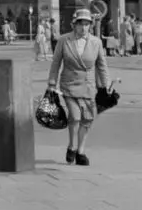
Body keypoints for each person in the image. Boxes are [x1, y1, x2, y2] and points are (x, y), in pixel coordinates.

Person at [47, 10, 110, 167]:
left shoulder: (96, 42)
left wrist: (106, 84)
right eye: (80, 24)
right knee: (75, 117)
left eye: (87, 24)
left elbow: (102, 65)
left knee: (87, 118)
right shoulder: (64, 40)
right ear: (74, 25)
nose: (83, 28)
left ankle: (81, 151)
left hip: (88, 85)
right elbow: (56, 62)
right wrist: (52, 82)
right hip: (69, 83)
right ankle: (71, 146)